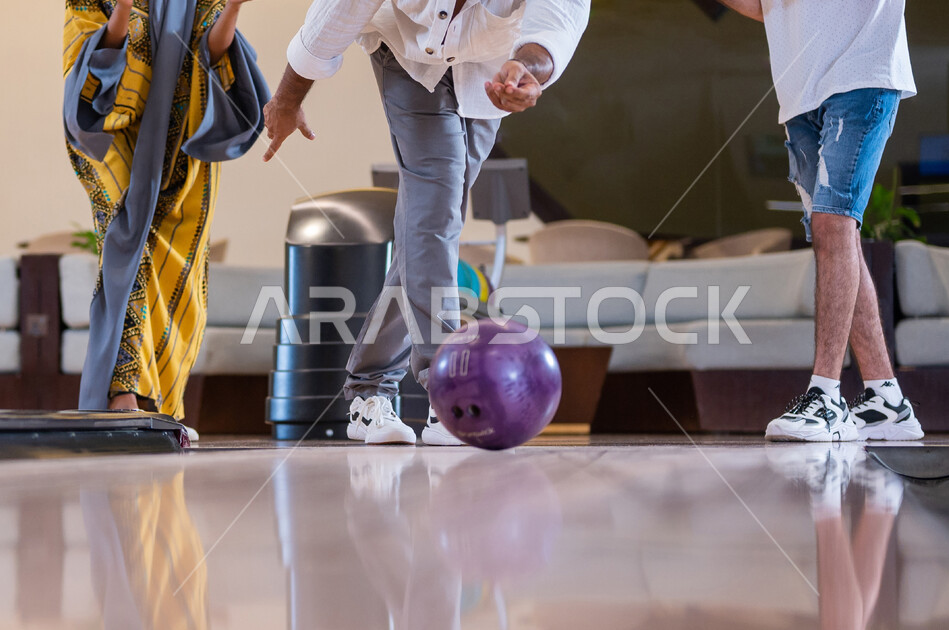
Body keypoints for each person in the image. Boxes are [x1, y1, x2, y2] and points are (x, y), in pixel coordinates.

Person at [263, 0, 590, 445]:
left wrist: (527, 68)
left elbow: (557, 20)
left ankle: (368, 392)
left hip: (490, 70)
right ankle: (448, 385)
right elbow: (336, 14)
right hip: (407, 54)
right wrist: (287, 98)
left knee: (428, 225)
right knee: (436, 212)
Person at [64, 0, 269, 440]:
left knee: (180, 266)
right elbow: (91, 57)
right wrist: (123, 7)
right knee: (127, 241)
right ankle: (121, 394)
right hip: (115, 136)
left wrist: (234, 7)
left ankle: (162, 404)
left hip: (183, 133)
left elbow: (213, 51)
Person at [719, 0, 924, 442]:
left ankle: (826, 396)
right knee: (836, 235)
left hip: (862, 75)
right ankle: (887, 399)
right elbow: (762, 7)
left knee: (834, 226)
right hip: (800, 92)